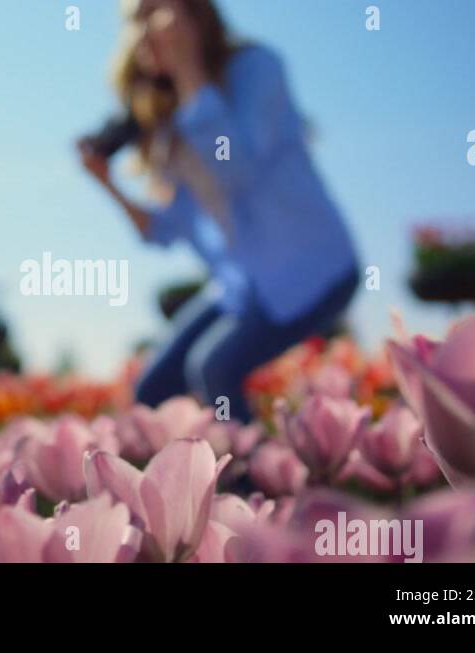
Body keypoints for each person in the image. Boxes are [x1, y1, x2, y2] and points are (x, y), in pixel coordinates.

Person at [78, 0, 359, 423]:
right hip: (243, 286)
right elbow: (162, 229)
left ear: (195, 17)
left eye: (158, 14)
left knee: (215, 367)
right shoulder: (174, 121)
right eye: (136, 20)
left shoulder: (256, 69)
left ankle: (256, 482)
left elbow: (235, 171)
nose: (145, 32)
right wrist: (107, 184)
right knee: (152, 389)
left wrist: (189, 69)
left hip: (312, 271)